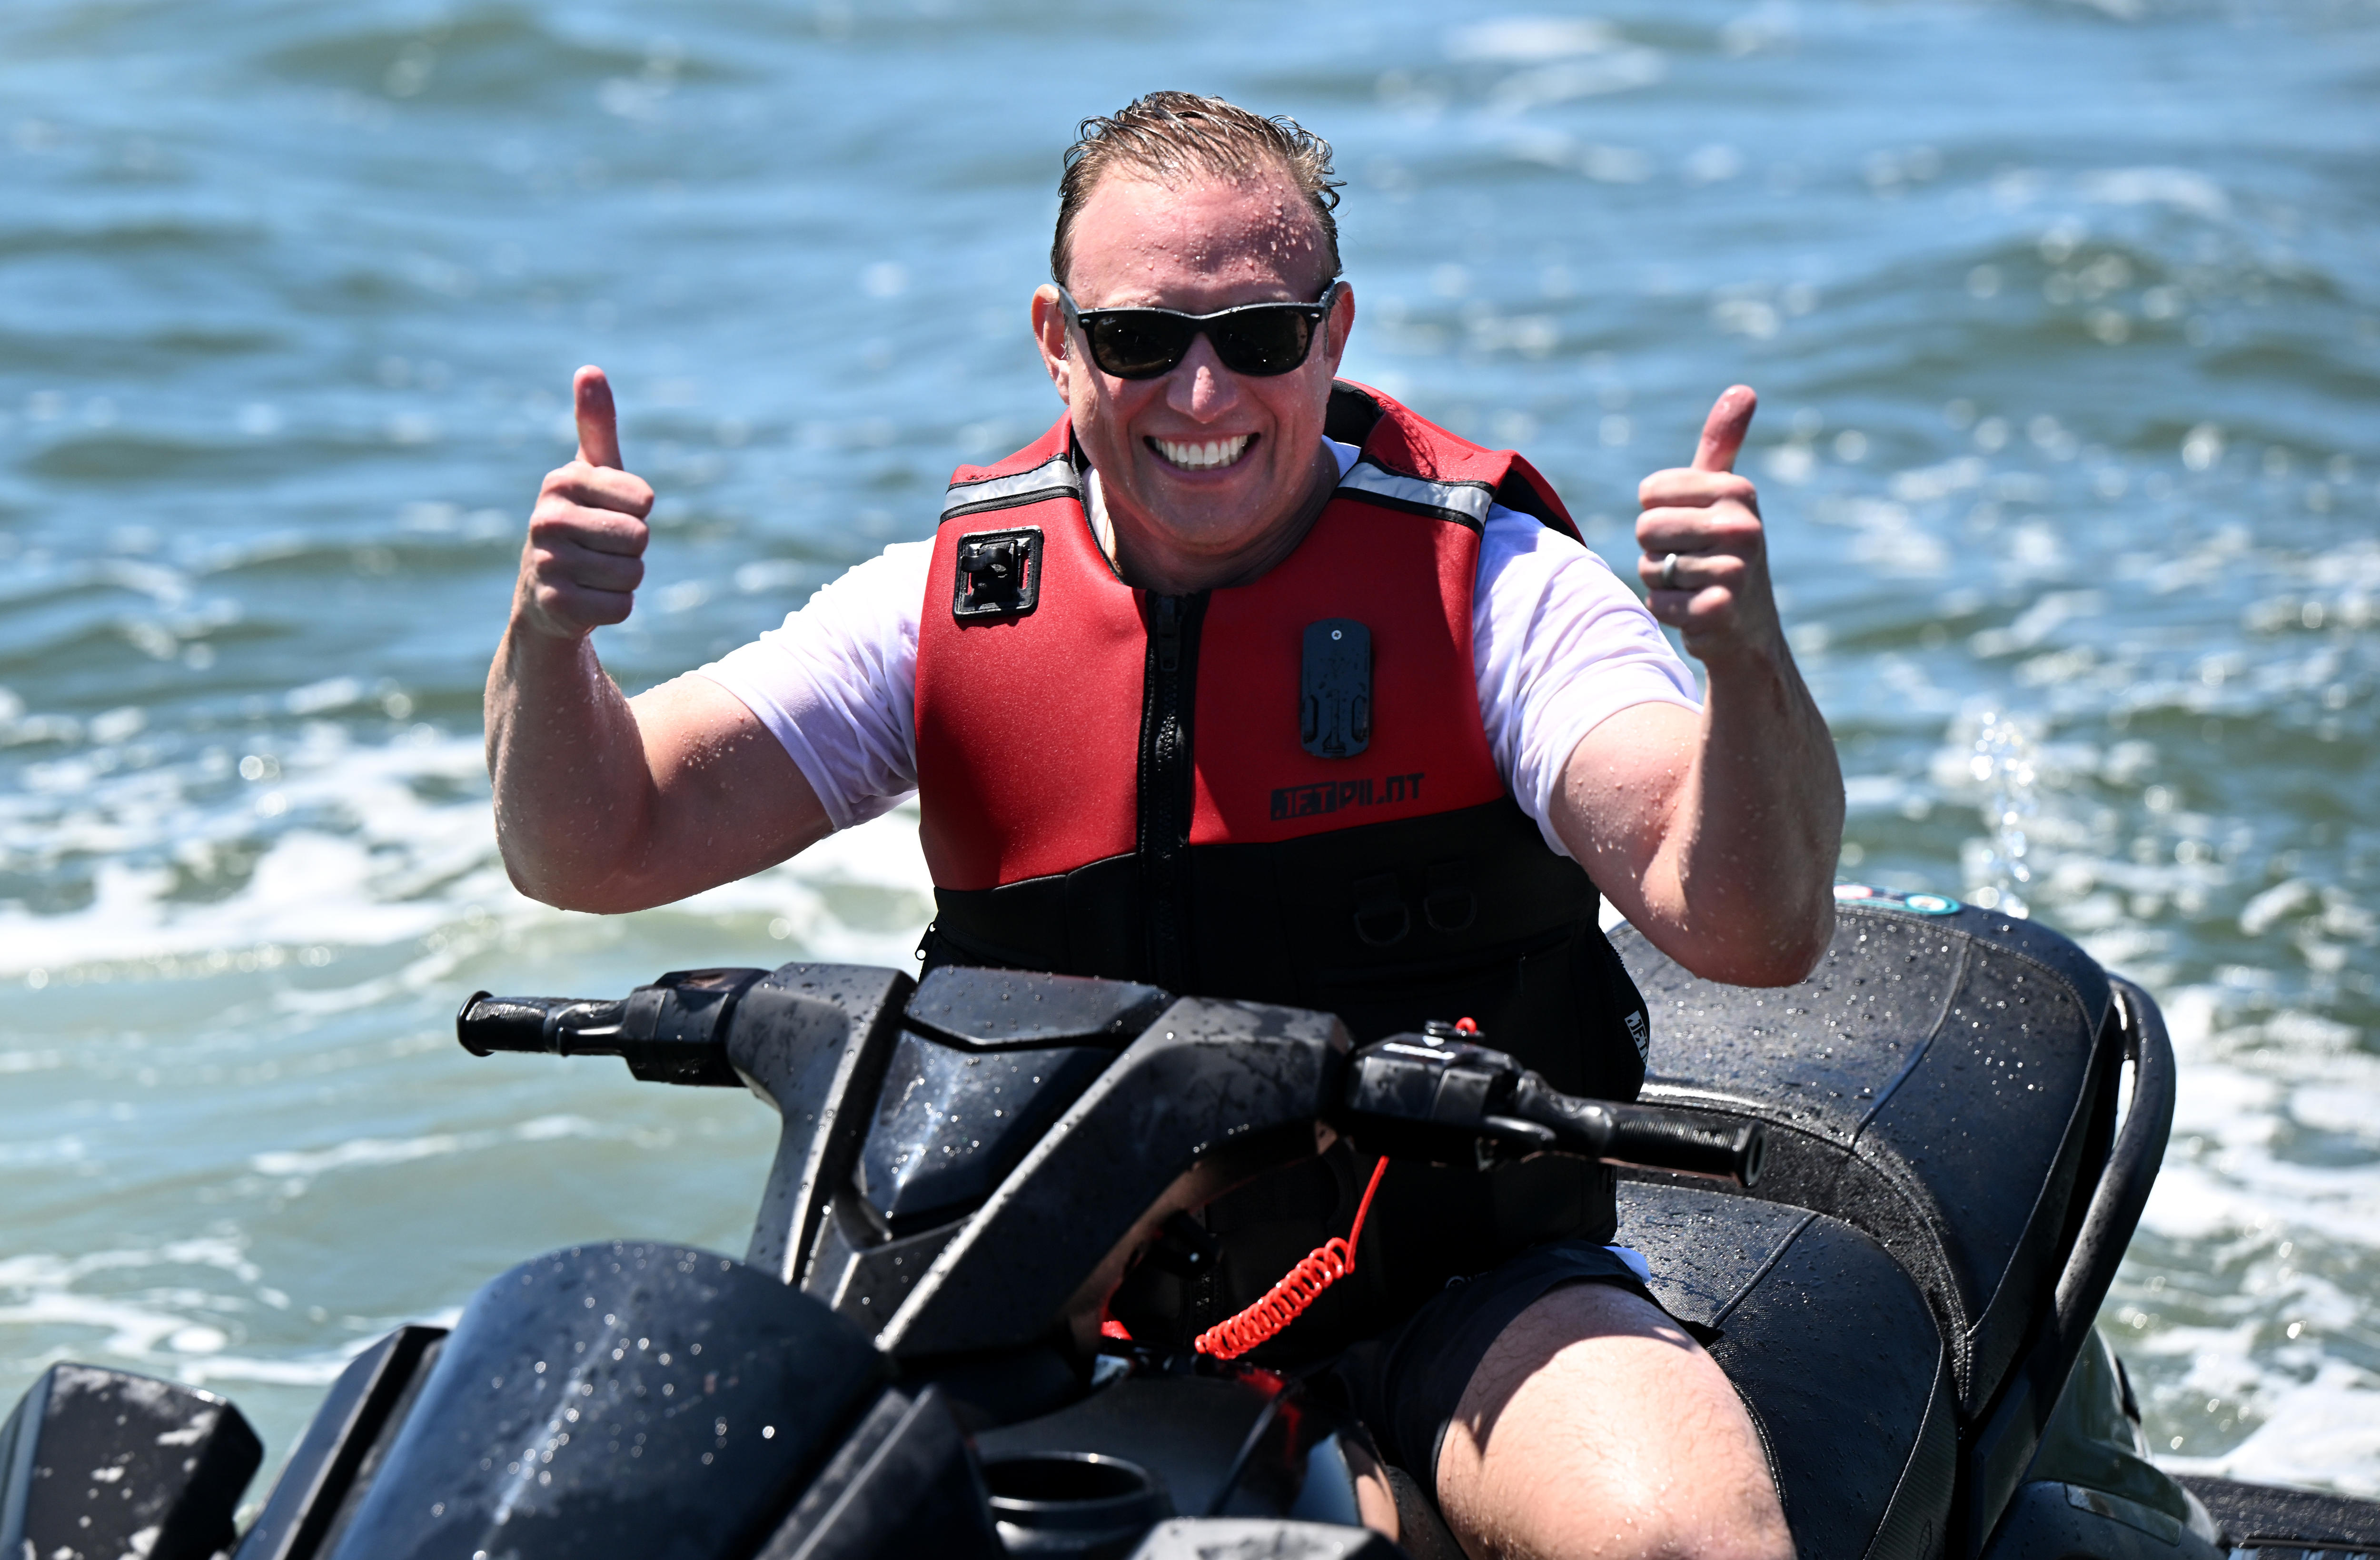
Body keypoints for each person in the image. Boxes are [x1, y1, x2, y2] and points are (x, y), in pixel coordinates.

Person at [487, 92, 1838, 1560]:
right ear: (1057, 342)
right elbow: (595, 843)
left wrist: (1744, 659)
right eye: (1139, 339)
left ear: (1331, 336)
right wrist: (553, 638)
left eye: (1257, 337)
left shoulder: (1501, 595)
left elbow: (1747, 929)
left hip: (1467, 1296)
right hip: (1062, 1316)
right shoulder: (943, 610)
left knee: (1680, 1542)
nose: (1201, 394)